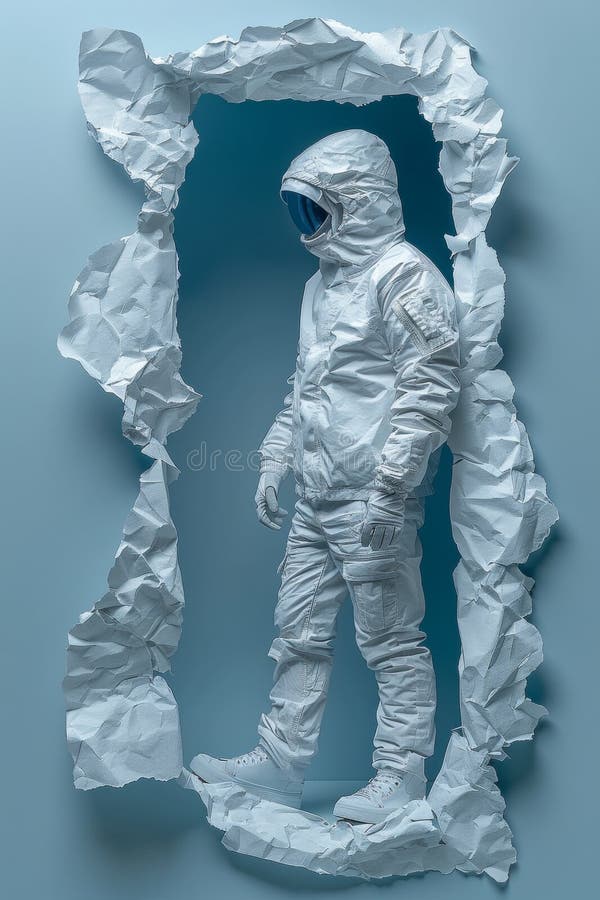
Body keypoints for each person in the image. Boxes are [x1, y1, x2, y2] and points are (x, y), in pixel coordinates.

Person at [191, 129, 460, 824]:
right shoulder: (321, 286)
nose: (308, 228)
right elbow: (306, 388)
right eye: (301, 211)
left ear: (360, 203)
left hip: (372, 498)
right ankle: (282, 764)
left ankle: (400, 776)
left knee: (391, 638)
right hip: (317, 497)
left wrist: (393, 488)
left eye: (320, 209)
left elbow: (429, 385)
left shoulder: (402, 275)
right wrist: (275, 460)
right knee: (298, 632)